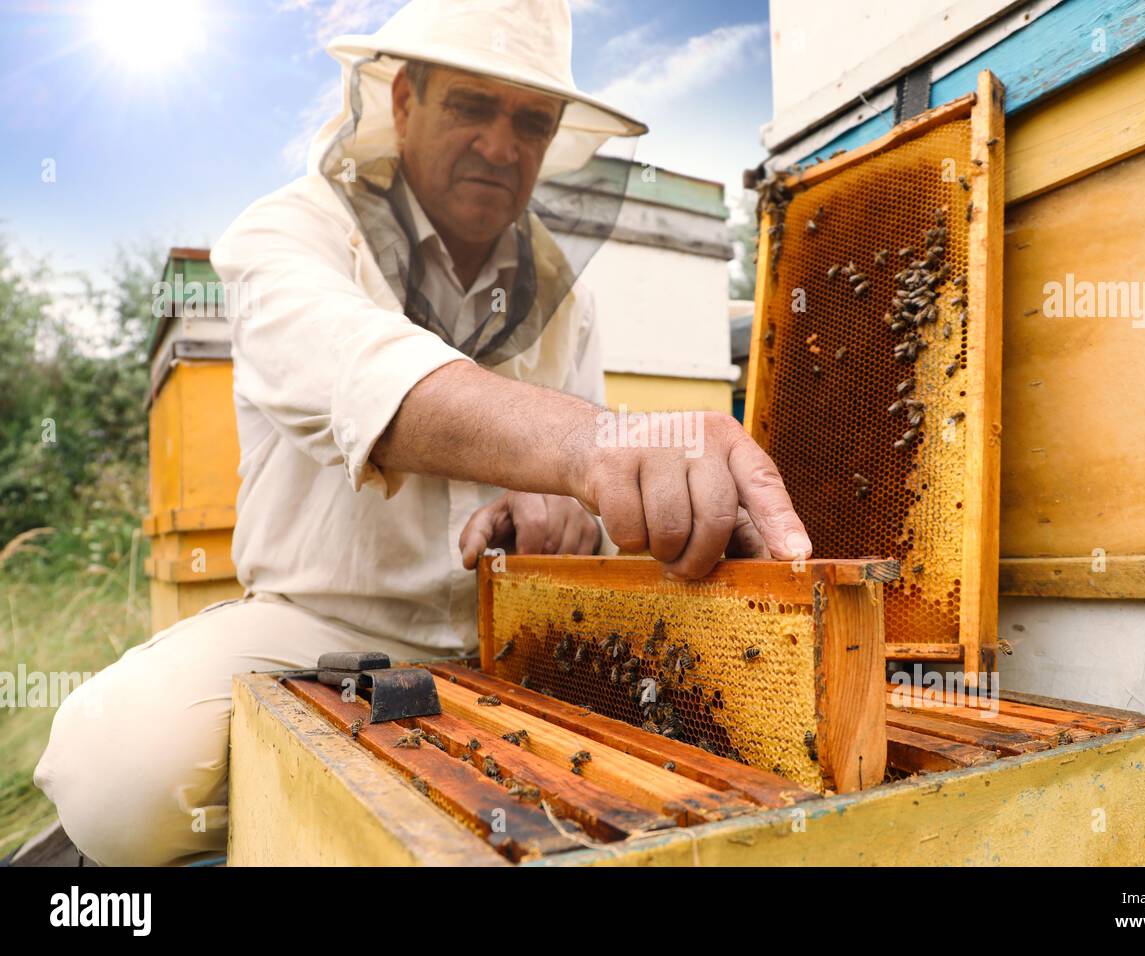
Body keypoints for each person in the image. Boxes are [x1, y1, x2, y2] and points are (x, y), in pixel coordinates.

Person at [33, 0, 810, 866]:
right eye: (472, 107)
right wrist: (590, 447)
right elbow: (360, 372)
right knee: (121, 780)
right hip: (315, 626)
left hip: (514, 630)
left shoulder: (565, 299)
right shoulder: (290, 232)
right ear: (403, 101)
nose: (502, 146)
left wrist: (565, 517)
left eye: (531, 121)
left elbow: (588, 505)